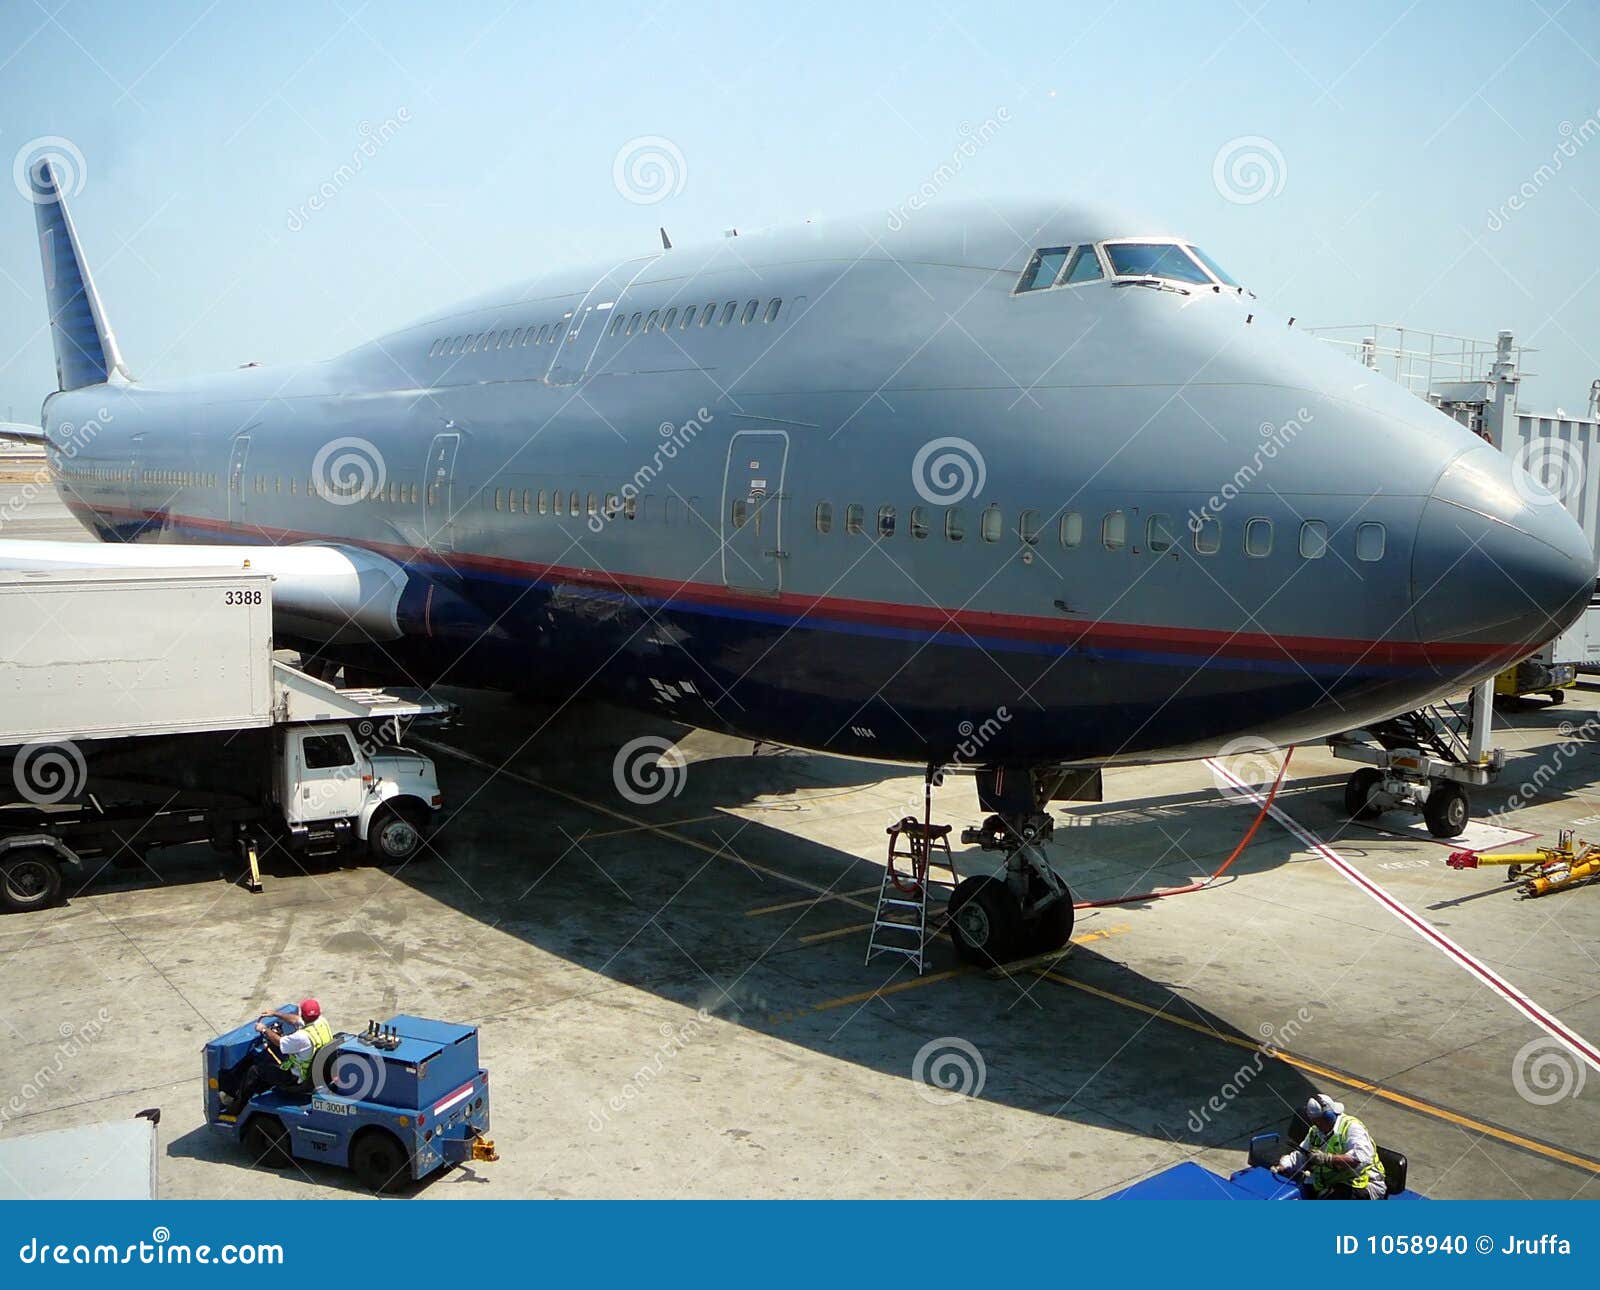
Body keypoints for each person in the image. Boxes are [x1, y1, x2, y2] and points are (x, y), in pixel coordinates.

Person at [220, 998, 334, 1111]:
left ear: (304, 1015)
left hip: (295, 1078)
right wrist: (276, 1014)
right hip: (313, 1071)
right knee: (274, 1059)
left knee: (255, 1070)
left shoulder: (302, 1037)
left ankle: (237, 1107)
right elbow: (296, 1020)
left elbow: (279, 1042)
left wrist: (264, 1029)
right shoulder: (321, 1022)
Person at [1275, 1093, 1386, 1199]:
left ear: (1328, 1116)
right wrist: (1284, 1164)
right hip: (1331, 1182)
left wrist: (1327, 1158)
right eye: (1315, 1122)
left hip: (1363, 1182)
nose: (1317, 1125)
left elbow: (1358, 1159)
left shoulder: (1352, 1127)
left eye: (1319, 1121)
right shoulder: (1315, 1132)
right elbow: (1300, 1156)